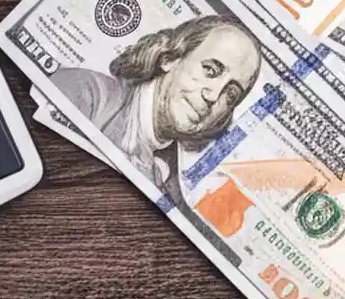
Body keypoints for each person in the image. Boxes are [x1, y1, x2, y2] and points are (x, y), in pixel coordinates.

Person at [51, 15, 262, 204]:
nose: (213, 96)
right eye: (210, 70)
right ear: (170, 59)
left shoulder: (173, 192)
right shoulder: (85, 93)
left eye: (231, 95)